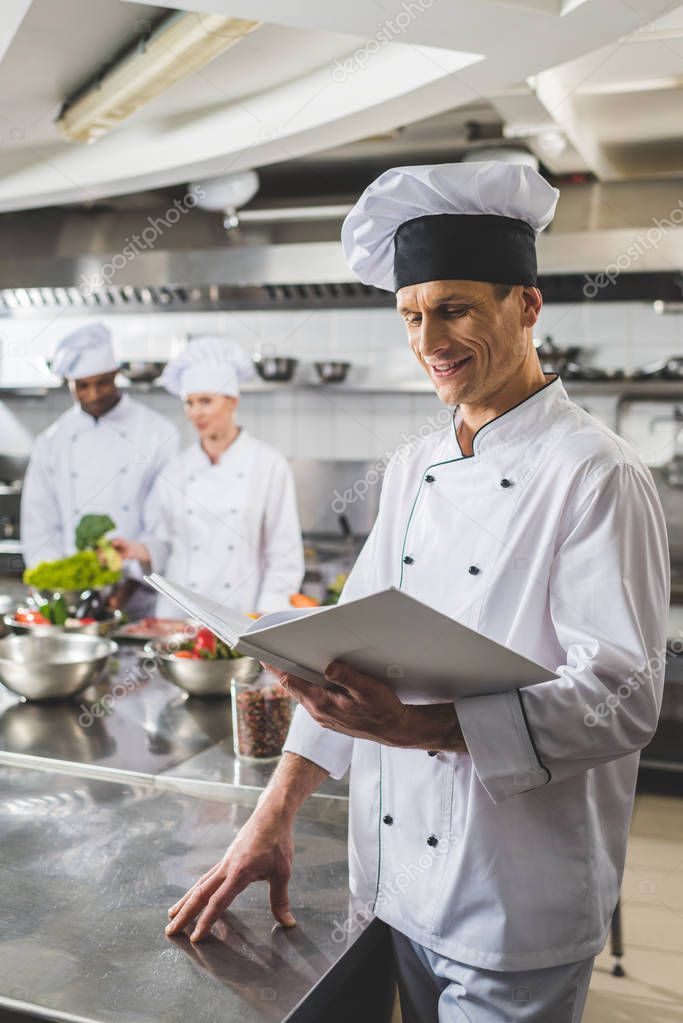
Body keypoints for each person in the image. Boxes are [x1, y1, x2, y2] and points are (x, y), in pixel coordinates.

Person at [164, 163, 669, 1022]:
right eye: (410, 315)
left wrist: (420, 725)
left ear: (527, 305)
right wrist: (271, 816)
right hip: (394, 885)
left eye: (455, 307)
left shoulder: (594, 473)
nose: (428, 338)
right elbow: (339, 658)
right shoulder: (411, 466)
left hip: (514, 897)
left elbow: (622, 698)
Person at [113, 336, 304, 616]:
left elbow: (284, 552)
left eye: (205, 401)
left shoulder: (268, 465)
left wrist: (267, 615)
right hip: (179, 617)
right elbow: (167, 544)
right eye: (189, 403)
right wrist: (140, 550)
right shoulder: (174, 469)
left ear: (232, 401)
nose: (195, 413)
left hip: (241, 615)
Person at [21, 323, 178, 612]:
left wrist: (126, 587)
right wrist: (61, 591)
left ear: (116, 375)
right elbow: (39, 525)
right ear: (69, 383)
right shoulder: (52, 441)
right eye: (82, 386)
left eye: (102, 383)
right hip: (72, 603)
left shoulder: (157, 433)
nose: (93, 395)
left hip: (139, 598)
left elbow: (163, 525)